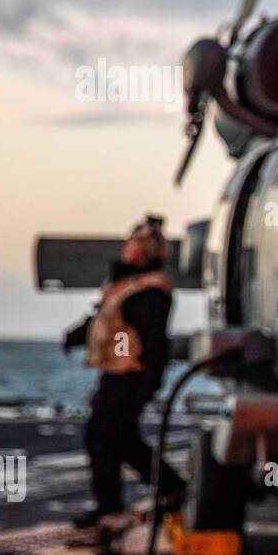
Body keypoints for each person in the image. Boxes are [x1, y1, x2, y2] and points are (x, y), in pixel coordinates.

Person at [63, 215, 186, 528]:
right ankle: (172, 489)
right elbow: (104, 320)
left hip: (128, 375)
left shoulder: (148, 291)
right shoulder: (128, 284)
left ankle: (111, 508)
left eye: (132, 244)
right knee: (124, 441)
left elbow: (154, 340)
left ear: (143, 251)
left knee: (102, 437)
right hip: (119, 372)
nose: (126, 248)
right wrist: (76, 336)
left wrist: (150, 383)